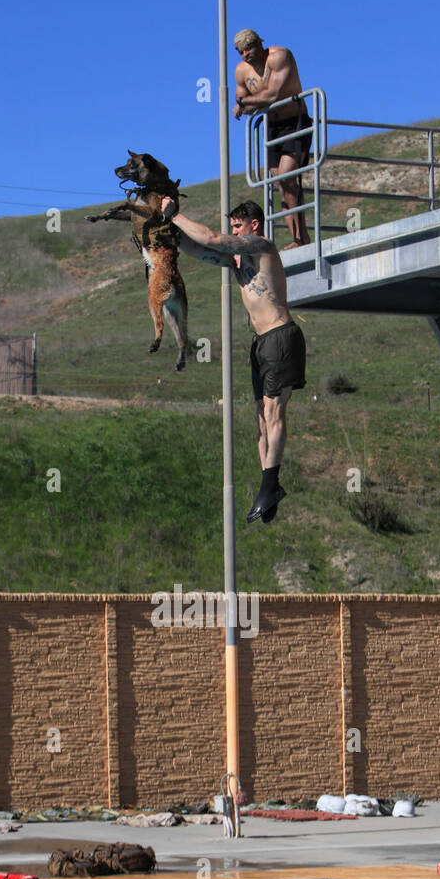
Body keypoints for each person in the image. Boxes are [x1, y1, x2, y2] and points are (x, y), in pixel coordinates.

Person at [160, 195, 306, 524]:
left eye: (238, 225)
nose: (234, 230)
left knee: (273, 411)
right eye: (232, 226)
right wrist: (167, 228)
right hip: (261, 342)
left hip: (281, 336)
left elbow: (212, 238)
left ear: (254, 224)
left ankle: (271, 485)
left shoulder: (262, 245)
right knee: (260, 420)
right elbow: (199, 249)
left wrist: (176, 214)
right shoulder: (238, 261)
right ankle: (268, 488)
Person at [233, 28, 311, 249]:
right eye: (241, 51)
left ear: (259, 43)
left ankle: (301, 238)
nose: (246, 54)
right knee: (280, 184)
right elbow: (241, 102)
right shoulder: (241, 71)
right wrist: (243, 104)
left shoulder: (279, 56)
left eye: (249, 47)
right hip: (271, 128)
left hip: (295, 120)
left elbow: (272, 94)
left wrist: (244, 103)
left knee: (287, 177)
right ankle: (299, 238)